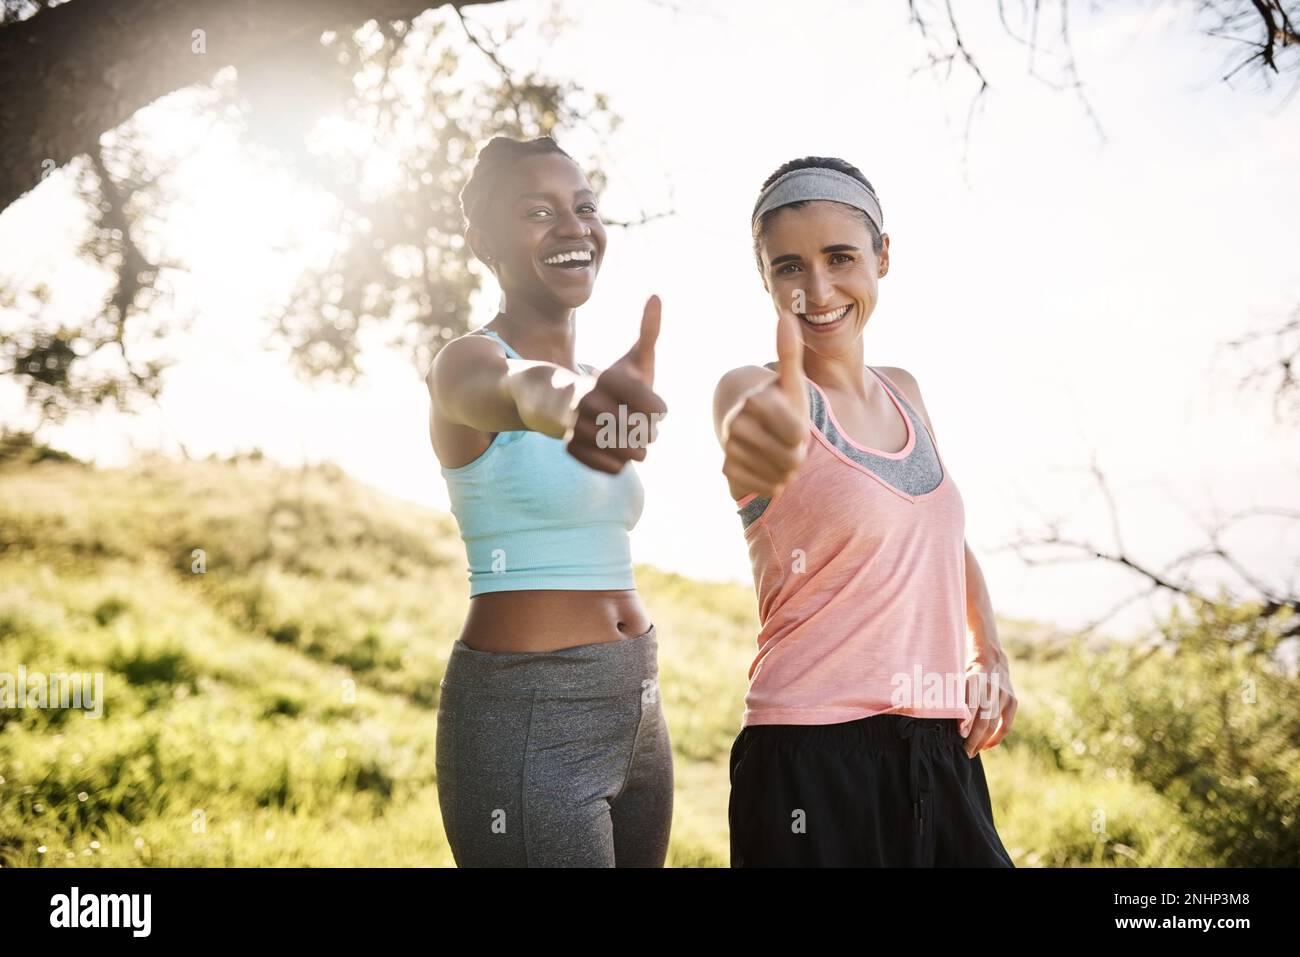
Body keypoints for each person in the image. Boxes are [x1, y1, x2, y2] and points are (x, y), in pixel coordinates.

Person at [712, 156, 1018, 867]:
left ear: (883, 255)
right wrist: (762, 436)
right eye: (788, 267)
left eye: (840, 257)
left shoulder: (906, 389)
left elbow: (944, 539)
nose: (816, 289)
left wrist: (988, 649)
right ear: (765, 278)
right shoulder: (751, 390)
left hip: (938, 748)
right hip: (810, 758)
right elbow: (746, 426)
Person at [426, 135, 672, 867]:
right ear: (484, 242)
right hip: (530, 712)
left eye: (584, 207)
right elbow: (523, 390)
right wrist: (574, 403)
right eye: (539, 211)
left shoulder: (599, 378)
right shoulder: (469, 361)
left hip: (638, 706)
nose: (574, 227)